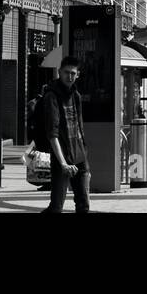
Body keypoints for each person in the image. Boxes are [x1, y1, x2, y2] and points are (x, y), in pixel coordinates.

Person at [38, 56, 91, 213]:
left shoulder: (76, 96)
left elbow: (79, 128)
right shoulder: (51, 96)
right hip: (62, 157)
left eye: (73, 73)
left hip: (80, 157)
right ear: (59, 72)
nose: (70, 77)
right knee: (56, 207)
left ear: (78, 75)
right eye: (67, 72)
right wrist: (62, 163)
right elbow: (52, 133)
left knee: (83, 205)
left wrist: (86, 159)